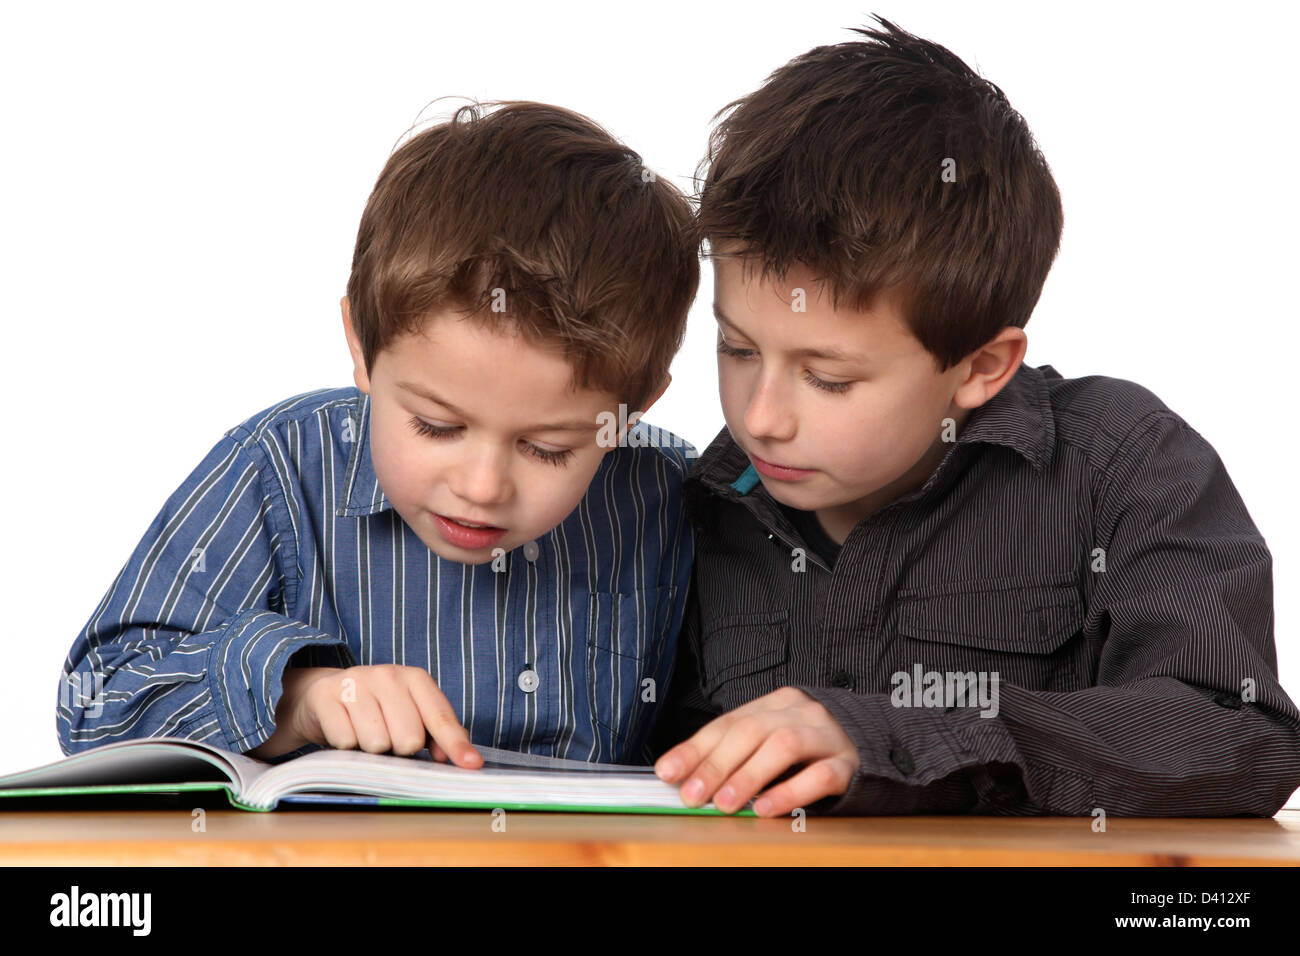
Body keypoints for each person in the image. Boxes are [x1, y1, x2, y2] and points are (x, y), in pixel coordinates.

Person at [648, 17, 1300, 816]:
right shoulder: (693, 503)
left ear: (981, 367)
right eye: (738, 348)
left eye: (828, 377)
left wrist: (897, 734)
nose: (762, 417)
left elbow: (1241, 735)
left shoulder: (1119, 464)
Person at [57, 101, 699, 767]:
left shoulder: (677, 498)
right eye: (436, 425)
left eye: (547, 448)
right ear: (362, 348)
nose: (482, 487)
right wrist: (296, 698)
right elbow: (96, 704)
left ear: (632, 411)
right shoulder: (281, 467)